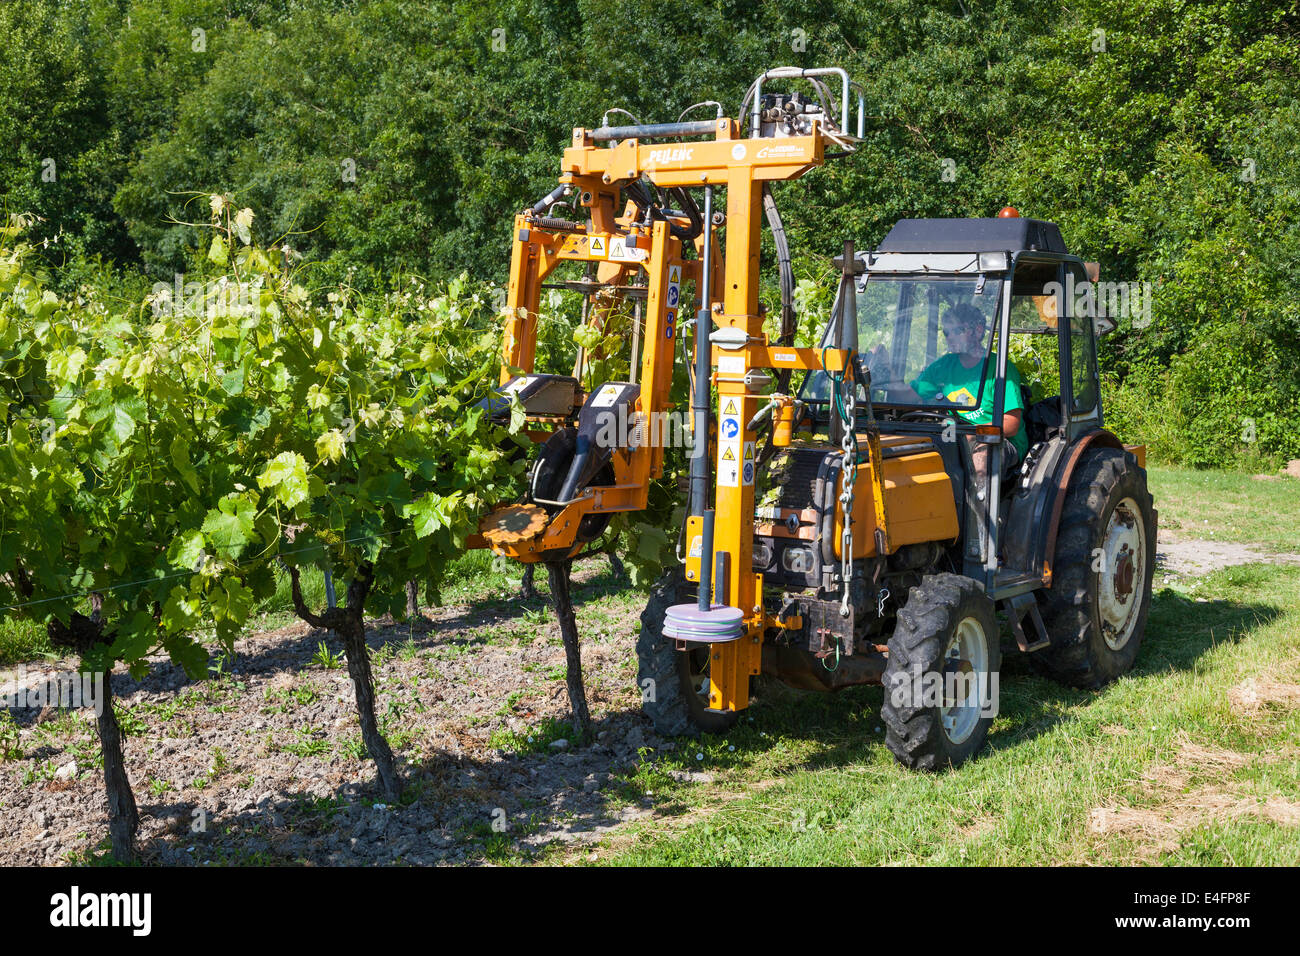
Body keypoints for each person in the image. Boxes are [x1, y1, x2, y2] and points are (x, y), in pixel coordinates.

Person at [869, 302, 1027, 483]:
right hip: (956, 434)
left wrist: (970, 433)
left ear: (978, 330)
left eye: (957, 331)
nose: (949, 337)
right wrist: (886, 367)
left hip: (997, 440)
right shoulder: (944, 365)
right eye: (946, 332)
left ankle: (979, 509)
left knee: (983, 455)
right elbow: (907, 396)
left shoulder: (1000, 370)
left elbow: (1011, 423)